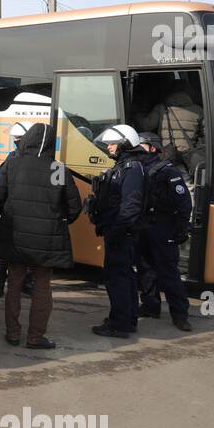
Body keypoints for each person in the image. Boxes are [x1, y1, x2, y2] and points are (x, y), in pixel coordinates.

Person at [0, 123, 81, 349]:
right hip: (47, 239)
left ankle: (13, 333)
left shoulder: (11, 165)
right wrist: (59, 222)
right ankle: (35, 337)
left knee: (14, 284)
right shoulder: (57, 169)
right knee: (42, 287)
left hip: (16, 237)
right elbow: (74, 207)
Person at [89, 124, 147, 339]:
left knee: (117, 278)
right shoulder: (126, 166)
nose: (109, 147)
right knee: (125, 276)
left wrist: (117, 231)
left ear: (125, 144)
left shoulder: (131, 169)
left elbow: (130, 205)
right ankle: (126, 319)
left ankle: (119, 324)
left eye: (113, 143)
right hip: (121, 231)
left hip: (122, 233)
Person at [134, 132, 193, 331]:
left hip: (162, 226)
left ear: (152, 147)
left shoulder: (168, 171)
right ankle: (151, 306)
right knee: (145, 269)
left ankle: (180, 315)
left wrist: (181, 227)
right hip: (142, 225)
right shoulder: (136, 168)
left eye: (140, 146)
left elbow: (183, 202)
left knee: (168, 272)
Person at [0, 121, 31, 299]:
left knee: (4, 253)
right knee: (23, 253)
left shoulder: (11, 158)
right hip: (23, 214)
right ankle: (21, 284)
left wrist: (0, 209)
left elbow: (0, 187)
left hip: (10, 212)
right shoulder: (39, 160)